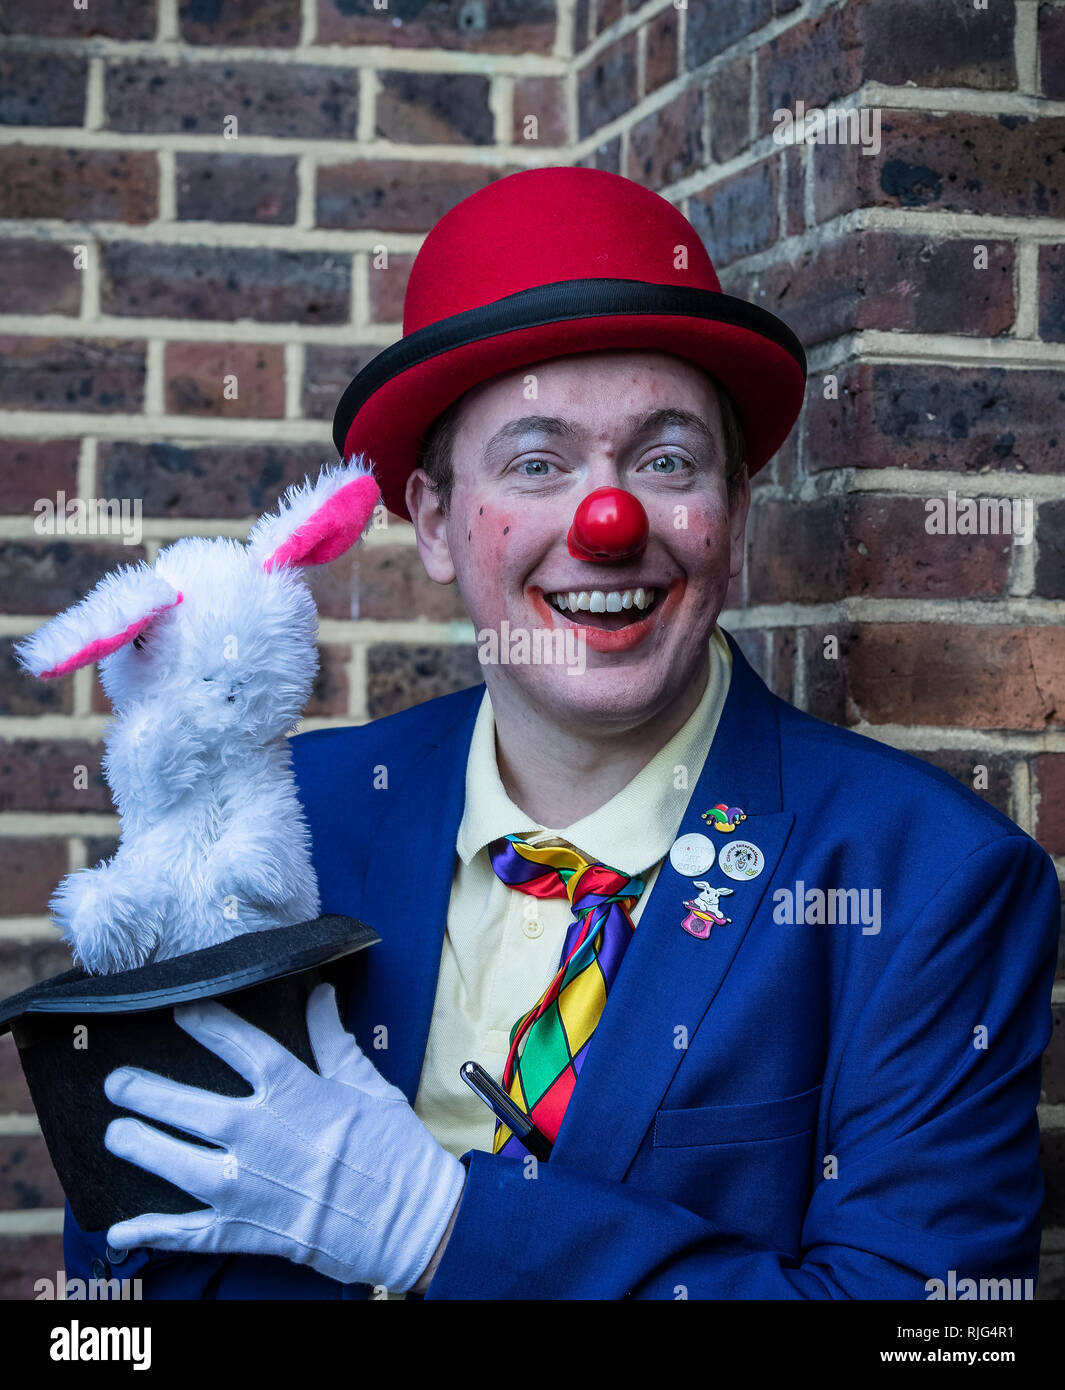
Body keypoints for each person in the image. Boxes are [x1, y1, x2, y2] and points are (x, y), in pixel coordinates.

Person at [64, 167, 1058, 1300]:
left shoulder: (925, 882)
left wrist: (440, 1227)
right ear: (435, 522)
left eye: (666, 460)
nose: (608, 522)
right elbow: (128, 1253)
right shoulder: (289, 818)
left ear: (733, 516)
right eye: (537, 463)